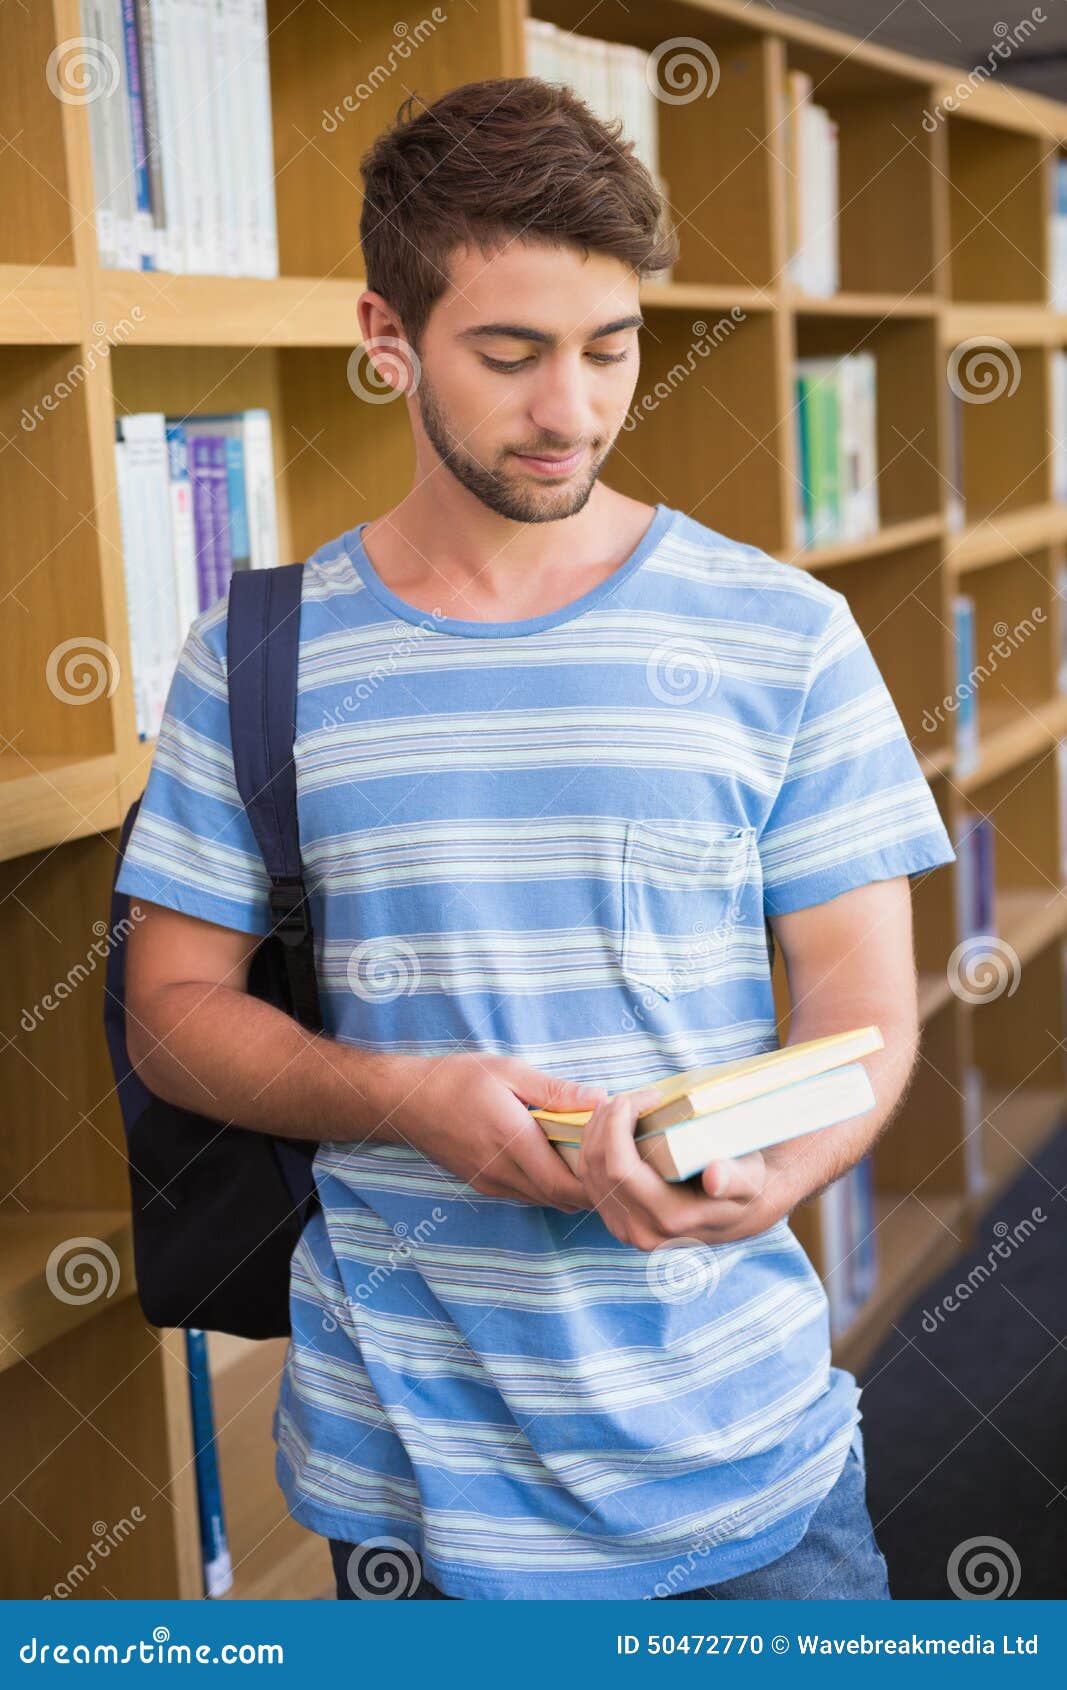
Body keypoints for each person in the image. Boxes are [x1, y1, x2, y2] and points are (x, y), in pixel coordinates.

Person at [118, 76, 955, 1602]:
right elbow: (171, 1018)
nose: (570, 406)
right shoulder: (254, 659)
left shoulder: (786, 634)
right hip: (405, 1500)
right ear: (387, 338)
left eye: (609, 347)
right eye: (509, 354)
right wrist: (403, 1096)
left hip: (746, 1472)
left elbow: (865, 1013)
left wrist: (783, 1169)